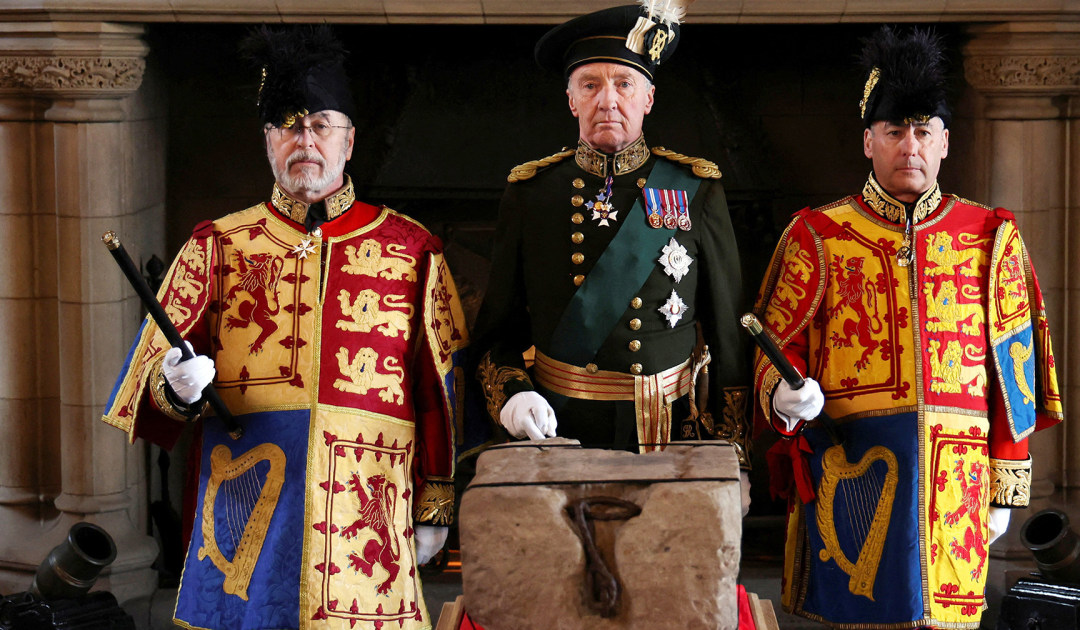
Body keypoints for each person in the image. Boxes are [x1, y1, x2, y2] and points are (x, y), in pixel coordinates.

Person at [101, 26, 467, 630]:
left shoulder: (413, 247)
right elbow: (147, 395)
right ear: (268, 142)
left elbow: (442, 388)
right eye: (288, 127)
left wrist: (437, 501)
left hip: (368, 508)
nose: (306, 142)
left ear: (349, 141)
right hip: (248, 501)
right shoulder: (216, 244)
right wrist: (178, 387)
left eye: (322, 124)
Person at [751, 27, 1064, 629]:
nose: (910, 146)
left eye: (923, 131)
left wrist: (1005, 478)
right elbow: (773, 341)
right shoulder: (818, 234)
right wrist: (779, 390)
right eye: (895, 132)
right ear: (868, 141)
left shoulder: (990, 235)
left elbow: (1014, 373)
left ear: (945, 142)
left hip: (959, 481)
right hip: (851, 470)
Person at [471, 2, 752, 472]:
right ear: (571, 99)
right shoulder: (532, 193)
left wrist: (734, 453)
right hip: (562, 429)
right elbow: (497, 331)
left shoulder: (697, 188)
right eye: (590, 85)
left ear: (648, 98)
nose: (608, 100)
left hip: (673, 432)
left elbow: (728, 331)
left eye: (624, 84)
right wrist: (515, 395)